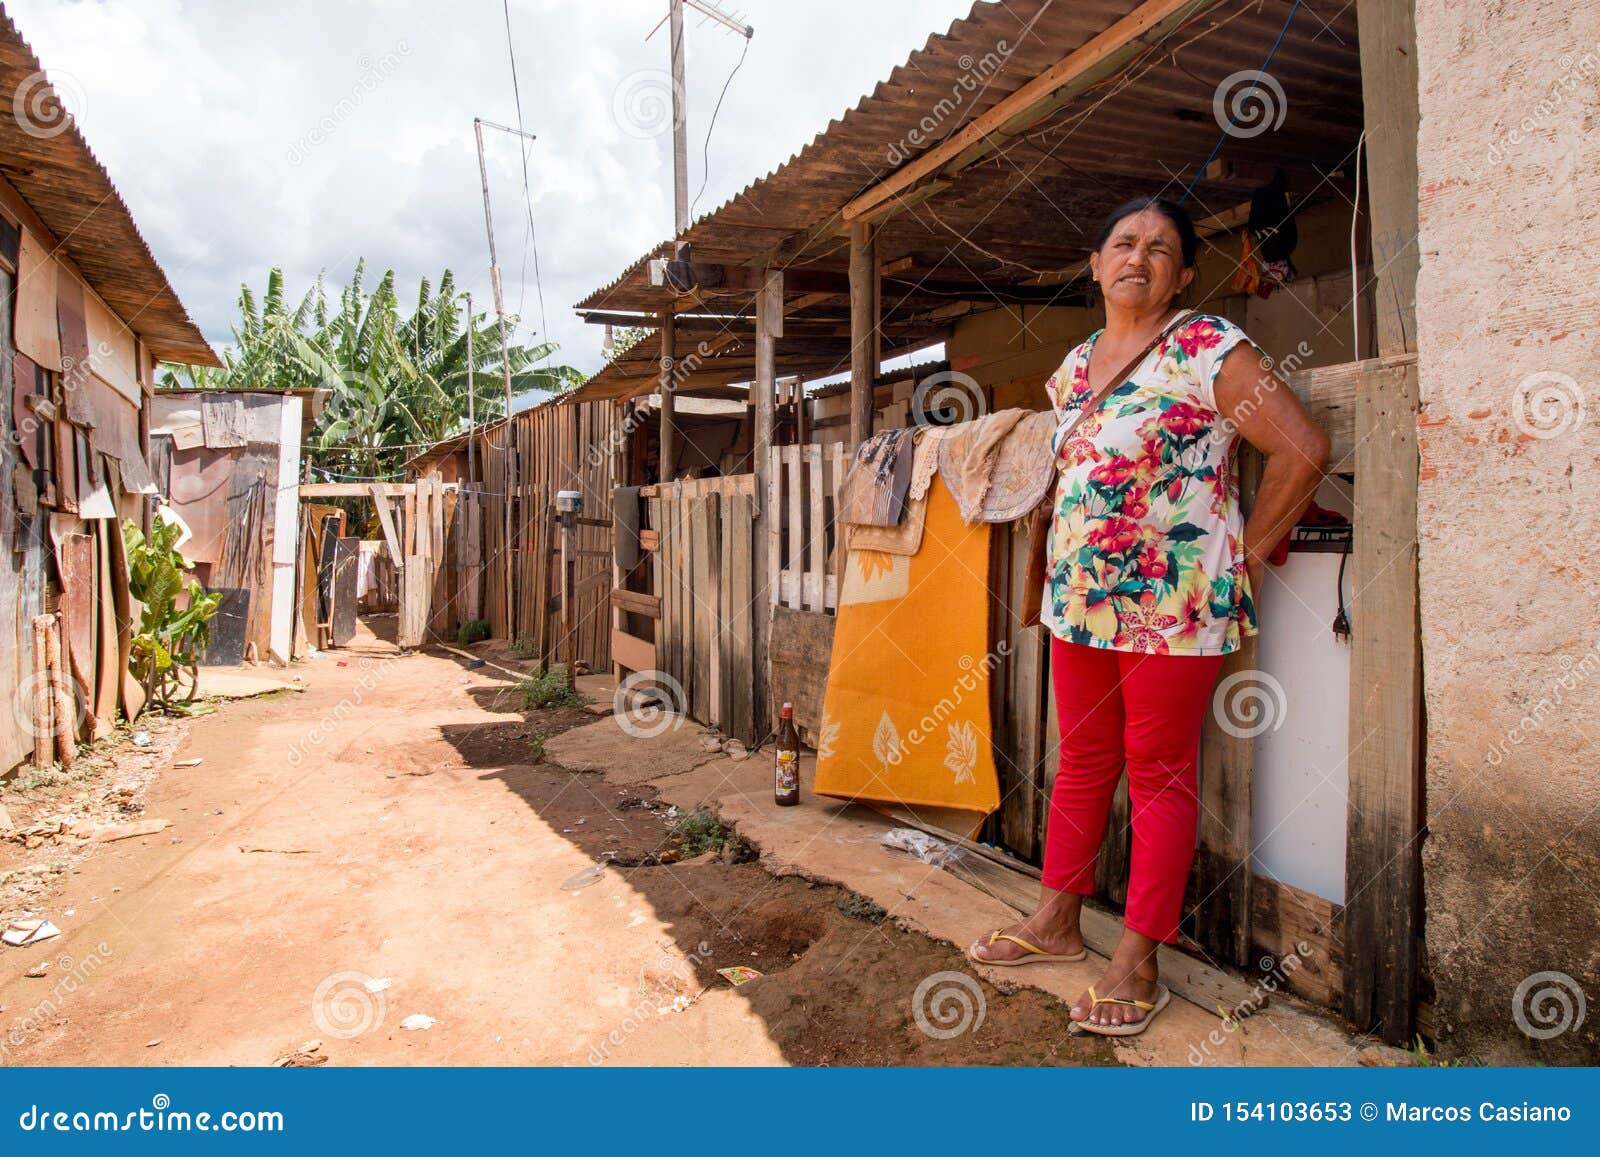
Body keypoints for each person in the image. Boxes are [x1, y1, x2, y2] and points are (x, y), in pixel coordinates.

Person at [968, 196, 1329, 1036]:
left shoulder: (1208, 347)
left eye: (1161, 248)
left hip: (1173, 604)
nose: (1140, 256)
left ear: (1185, 274)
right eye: (1123, 242)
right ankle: (1056, 921)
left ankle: (1138, 960)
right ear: (1095, 266)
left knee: (1159, 770)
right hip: (1080, 602)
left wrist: (1238, 561)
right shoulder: (1075, 365)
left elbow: (1303, 448)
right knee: (1085, 758)